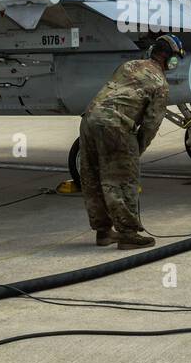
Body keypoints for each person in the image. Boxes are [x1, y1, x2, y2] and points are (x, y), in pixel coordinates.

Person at [78, 34, 183, 249]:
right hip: (115, 125)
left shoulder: (129, 65)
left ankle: (104, 232)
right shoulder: (160, 83)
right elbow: (151, 124)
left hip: (89, 119)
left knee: (93, 177)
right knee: (122, 180)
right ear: (169, 58)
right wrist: (136, 149)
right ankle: (128, 234)